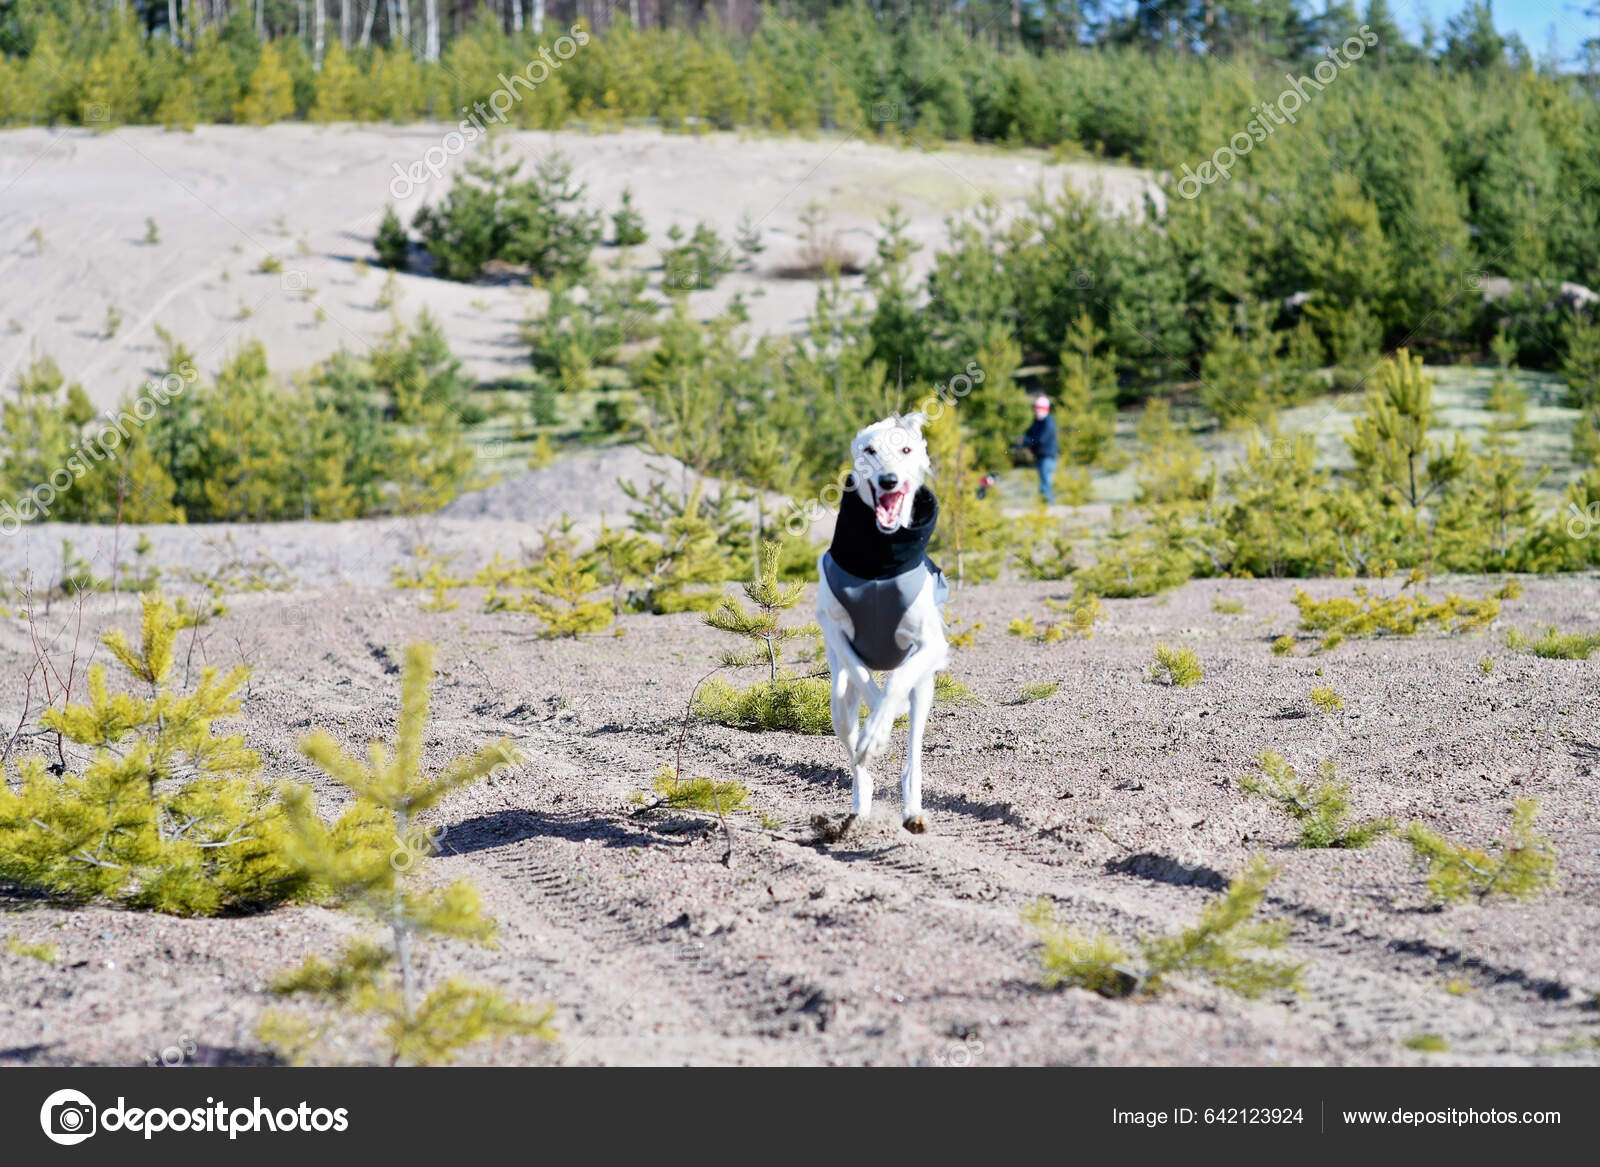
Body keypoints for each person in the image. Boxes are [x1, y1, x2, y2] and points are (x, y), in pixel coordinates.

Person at [1018, 395, 1059, 505]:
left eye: (1040, 409)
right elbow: (1029, 434)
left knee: (1046, 484)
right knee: (1044, 483)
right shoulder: (1037, 422)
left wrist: (1026, 441)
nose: (1037, 411)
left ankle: (1049, 506)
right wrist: (1024, 440)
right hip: (1041, 457)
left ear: (1046, 409)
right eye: (1036, 409)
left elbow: (1040, 440)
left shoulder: (1048, 423)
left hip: (1048, 457)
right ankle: (1045, 507)